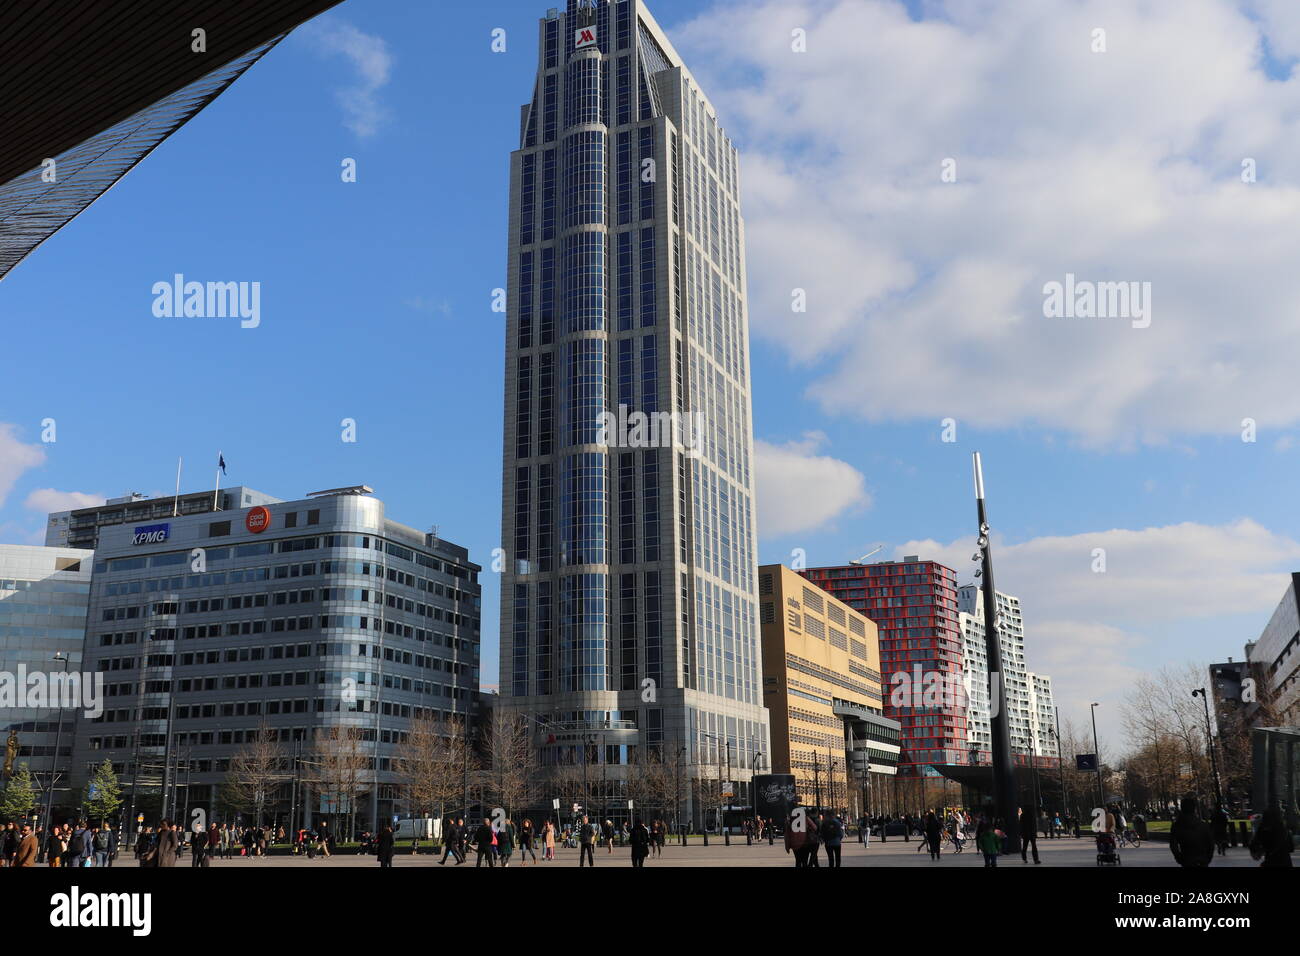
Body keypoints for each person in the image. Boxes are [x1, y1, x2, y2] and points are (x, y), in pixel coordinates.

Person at [1169, 796, 1214, 868]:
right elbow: (1210, 843)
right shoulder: (1203, 825)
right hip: (1202, 859)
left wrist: (1179, 858)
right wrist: (1208, 858)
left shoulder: (1177, 826)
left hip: (1187, 858)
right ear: (1194, 809)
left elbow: (1173, 845)